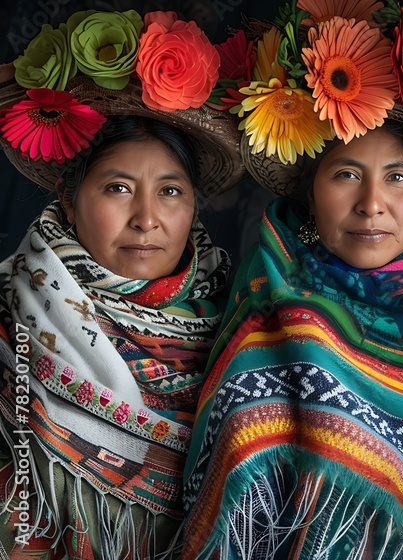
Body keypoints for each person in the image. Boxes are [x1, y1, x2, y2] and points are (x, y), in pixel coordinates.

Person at [179, 3, 403, 559]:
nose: (371, 204)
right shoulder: (264, 291)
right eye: (347, 174)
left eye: (397, 178)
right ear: (310, 193)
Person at [0, 8, 244, 559]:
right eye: (117, 188)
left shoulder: (243, 329)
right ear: (69, 197)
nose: (147, 218)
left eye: (171, 192)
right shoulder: (11, 316)